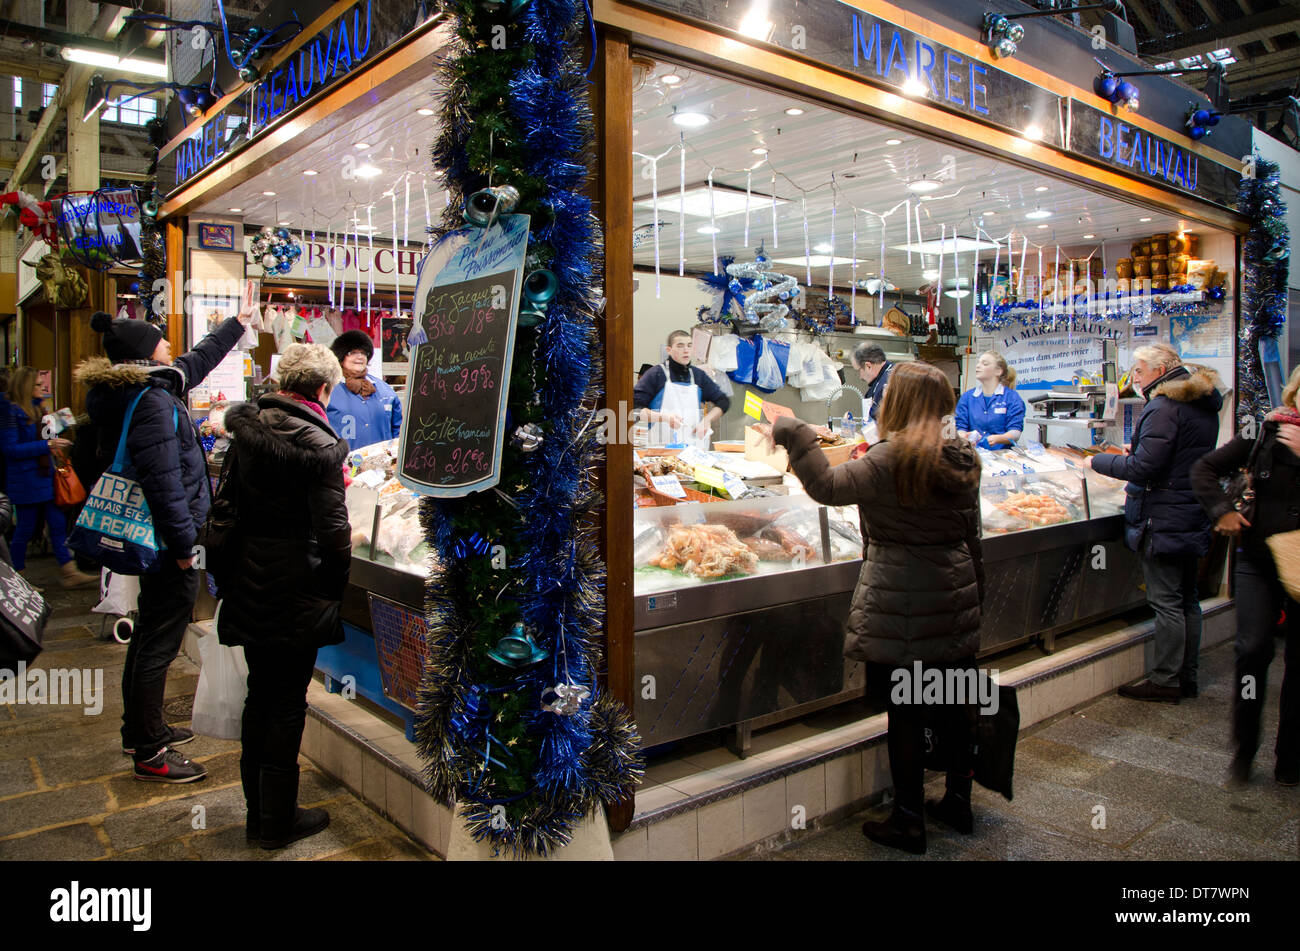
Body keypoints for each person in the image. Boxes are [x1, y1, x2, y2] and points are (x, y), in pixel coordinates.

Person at [766, 362, 984, 854]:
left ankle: (908, 820)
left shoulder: (892, 458)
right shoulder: (965, 456)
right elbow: (973, 534)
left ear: (896, 403)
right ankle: (958, 801)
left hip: (902, 599)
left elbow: (826, 487)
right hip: (956, 595)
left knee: (906, 712)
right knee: (956, 701)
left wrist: (794, 431)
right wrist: (976, 599)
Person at [75, 289, 255, 783]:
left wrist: (237, 325)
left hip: (155, 536)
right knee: (159, 638)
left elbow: (193, 362)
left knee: (152, 632)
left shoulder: (141, 388)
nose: (168, 345)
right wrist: (182, 548)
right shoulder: (153, 401)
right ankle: (150, 750)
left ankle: (141, 729)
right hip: (165, 539)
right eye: (159, 341)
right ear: (143, 354)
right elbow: (163, 483)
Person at [220, 343, 351, 848]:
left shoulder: (248, 431)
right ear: (322, 389)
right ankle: (277, 823)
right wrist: (329, 592)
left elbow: (225, 508)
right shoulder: (320, 443)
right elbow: (335, 534)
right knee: (287, 704)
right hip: (296, 588)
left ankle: (259, 816)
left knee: (261, 697)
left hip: (250, 583)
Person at [1086, 343, 1222, 703]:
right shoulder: (1201, 402)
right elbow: (1177, 455)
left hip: (1163, 516)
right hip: (1191, 511)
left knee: (1166, 602)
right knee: (1187, 599)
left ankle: (1165, 680)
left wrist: (1099, 461)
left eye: (1139, 371)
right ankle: (1186, 676)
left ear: (1159, 372)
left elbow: (1145, 468)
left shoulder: (1163, 406)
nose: (1136, 378)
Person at [1191, 367, 1300, 786]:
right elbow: (1204, 469)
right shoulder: (1267, 430)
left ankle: (1290, 756)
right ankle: (1244, 747)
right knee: (1253, 649)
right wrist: (1223, 511)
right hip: (1258, 556)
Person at [0, 366, 97, 589]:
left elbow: (45, 435)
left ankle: (69, 570)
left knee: (57, 523)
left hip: (44, 476)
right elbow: (10, 449)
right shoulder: (10, 412)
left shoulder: (38, 409)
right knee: (25, 527)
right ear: (25, 386)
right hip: (25, 479)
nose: (42, 388)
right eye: (37, 385)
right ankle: (18, 578)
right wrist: (47, 444)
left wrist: (57, 431)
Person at [633, 330, 731, 449]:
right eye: (680, 346)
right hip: (660, 450)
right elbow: (636, 409)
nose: (686, 350)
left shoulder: (698, 376)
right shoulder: (655, 374)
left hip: (693, 450)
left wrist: (707, 420)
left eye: (689, 346)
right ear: (669, 350)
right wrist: (665, 418)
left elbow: (723, 401)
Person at [326, 330, 402, 450]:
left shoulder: (385, 390)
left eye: (363, 353)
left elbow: (398, 430)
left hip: (381, 465)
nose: (360, 357)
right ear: (341, 357)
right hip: (342, 465)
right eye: (353, 352)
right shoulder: (328, 390)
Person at [955, 350, 1026, 450]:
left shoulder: (1012, 398)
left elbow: (1015, 432)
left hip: (1002, 455)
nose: (978, 366)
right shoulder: (967, 397)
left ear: (998, 371)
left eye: (985, 364)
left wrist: (998, 439)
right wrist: (964, 436)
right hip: (973, 455)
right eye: (978, 363)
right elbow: (960, 427)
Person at [851, 343, 893, 423]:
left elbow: (877, 423)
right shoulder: (888, 374)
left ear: (868, 366)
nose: (860, 377)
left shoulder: (887, 383)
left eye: (858, 370)